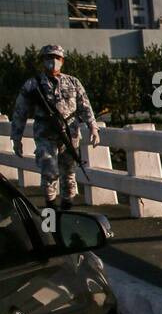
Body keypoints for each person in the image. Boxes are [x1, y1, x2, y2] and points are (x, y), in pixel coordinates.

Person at [11, 44, 98, 210]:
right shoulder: (32, 85)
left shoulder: (73, 82)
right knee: (49, 170)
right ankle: (50, 206)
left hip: (70, 134)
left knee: (69, 173)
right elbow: (20, 112)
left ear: (62, 61)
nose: (53, 61)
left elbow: (84, 105)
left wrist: (93, 126)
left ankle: (67, 208)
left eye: (57, 57)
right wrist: (16, 138)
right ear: (43, 61)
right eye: (49, 57)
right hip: (45, 134)